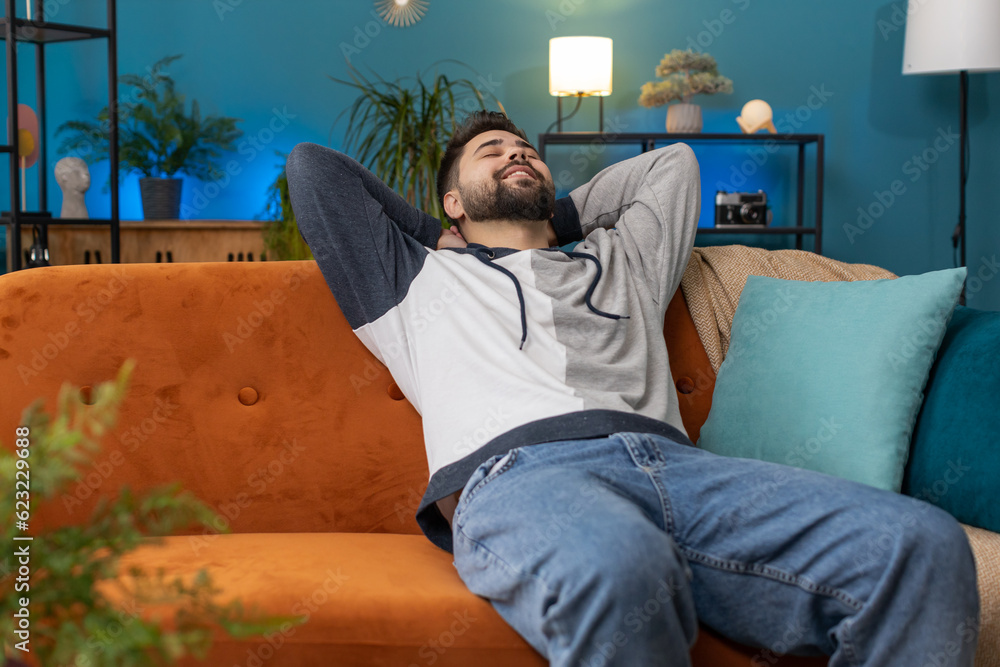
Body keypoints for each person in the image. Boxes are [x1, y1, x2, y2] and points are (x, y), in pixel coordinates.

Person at [285, 110, 979, 667]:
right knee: (622, 567)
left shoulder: (624, 258)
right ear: (453, 199)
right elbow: (313, 170)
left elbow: (672, 165)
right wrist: (447, 238)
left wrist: (553, 219)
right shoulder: (418, 283)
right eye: (491, 152)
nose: (518, 154)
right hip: (525, 478)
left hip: (685, 471)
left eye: (527, 149)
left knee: (922, 545)